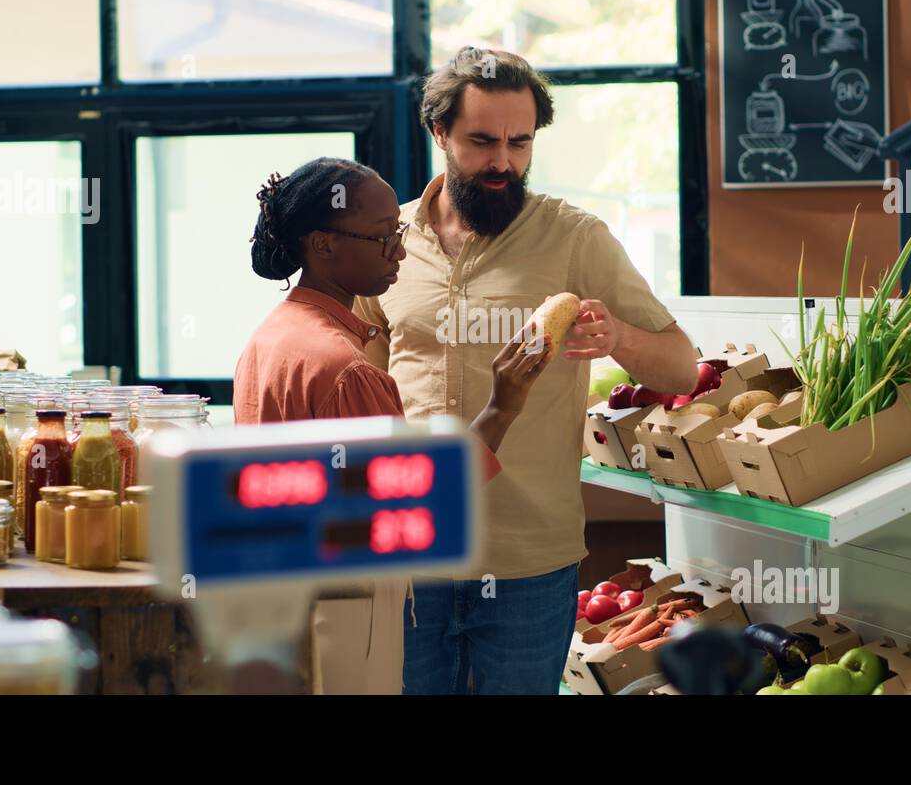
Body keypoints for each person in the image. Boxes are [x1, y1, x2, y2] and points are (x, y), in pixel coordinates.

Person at [354, 48, 699, 694]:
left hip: (527, 568)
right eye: (482, 141)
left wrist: (618, 335)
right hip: (408, 555)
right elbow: (365, 394)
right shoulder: (386, 239)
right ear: (439, 134)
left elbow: (682, 366)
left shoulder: (576, 239)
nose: (503, 162)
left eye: (520, 142)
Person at [233, 157, 552, 694]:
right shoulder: (349, 370)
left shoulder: (271, 337)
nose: (399, 251)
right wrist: (503, 405)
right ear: (323, 244)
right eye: (382, 238)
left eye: (398, 232)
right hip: (346, 616)